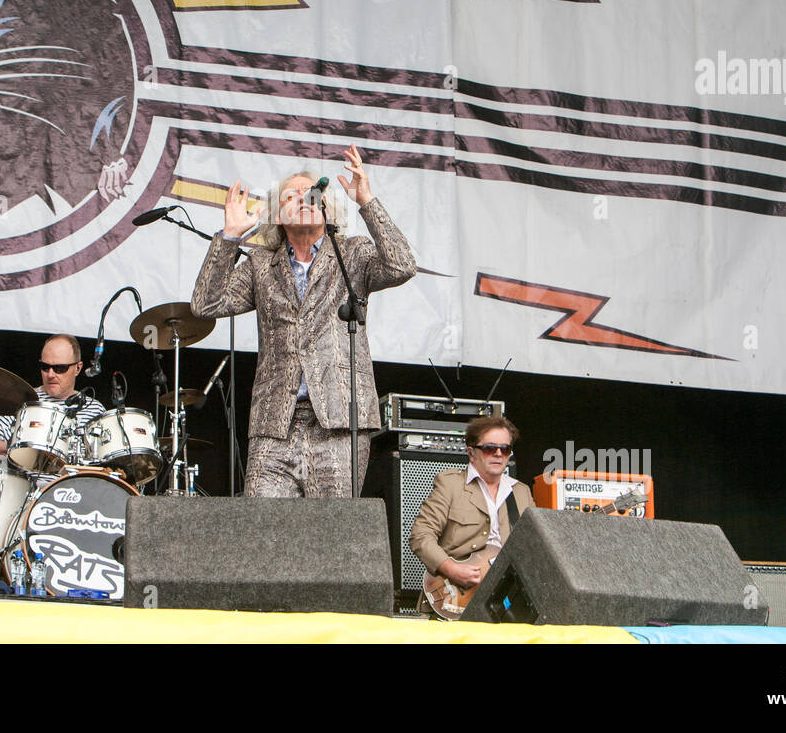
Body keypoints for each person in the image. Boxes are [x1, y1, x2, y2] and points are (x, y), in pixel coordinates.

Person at [191, 144, 416, 496]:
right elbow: (206, 304)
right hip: (274, 424)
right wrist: (229, 238)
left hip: (339, 421)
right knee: (263, 533)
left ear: (325, 208)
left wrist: (366, 201)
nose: (304, 198)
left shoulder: (352, 253)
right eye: (291, 195)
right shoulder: (260, 264)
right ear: (278, 217)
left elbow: (402, 265)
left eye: (311, 193)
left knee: (331, 535)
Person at [409, 415, 534, 596]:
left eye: (505, 449)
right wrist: (451, 569)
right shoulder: (450, 484)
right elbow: (420, 535)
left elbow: (535, 546)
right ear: (471, 452)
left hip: (506, 595)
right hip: (455, 593)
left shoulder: (521, 492)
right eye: (490, 448)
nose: (498, 454)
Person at [0, 333, 104, 461]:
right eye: (45, 367)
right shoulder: (22, 401)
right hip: (25, 481)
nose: (51, 374)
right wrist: (21, 448)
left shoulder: (94, 410)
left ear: (78, 368)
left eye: (59, 368)